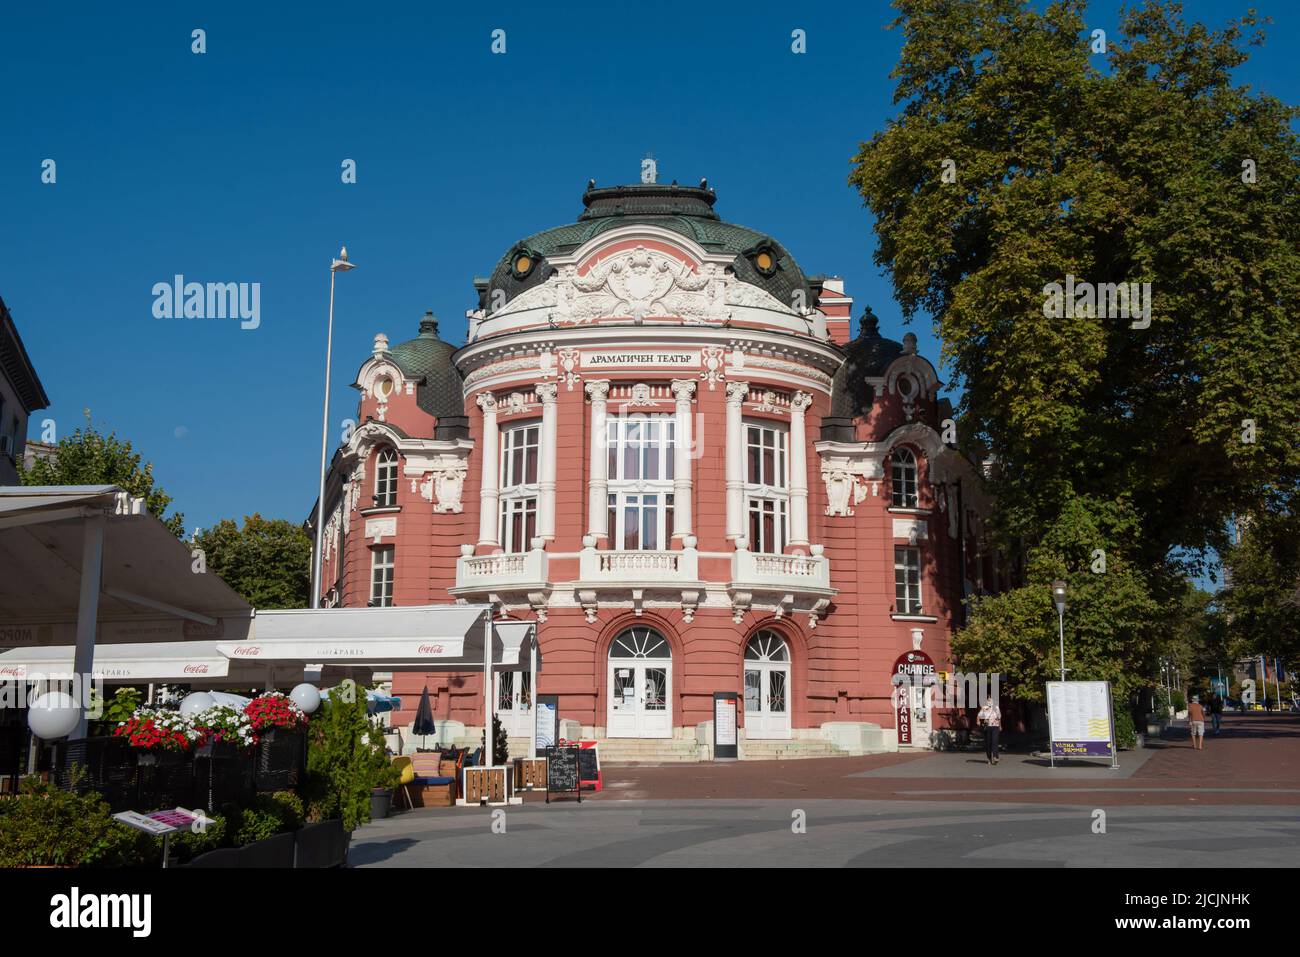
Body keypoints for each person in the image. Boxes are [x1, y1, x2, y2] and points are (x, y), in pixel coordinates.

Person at [977, 697, 1001, 765]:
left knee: (995, 742)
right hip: (987, 727)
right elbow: (979, 715)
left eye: (991, 700)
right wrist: (978, 721)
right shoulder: (984, 708)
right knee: (988, 743)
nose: (990, 701)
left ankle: (995, 757)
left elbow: (999, 717)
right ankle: (989, 758)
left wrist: (1000, 726)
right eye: (988, 700)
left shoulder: (996, 708)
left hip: (995, 727)